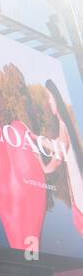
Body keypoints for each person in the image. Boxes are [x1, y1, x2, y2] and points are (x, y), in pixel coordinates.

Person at [43, 80, 83, 234]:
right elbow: (56, 145)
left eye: (50, 98)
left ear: (56, 99)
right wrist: (36, 138)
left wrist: (45, 168)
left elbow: (58, 157)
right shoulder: (65, 125)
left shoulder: (63, 125)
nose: (49, 101)